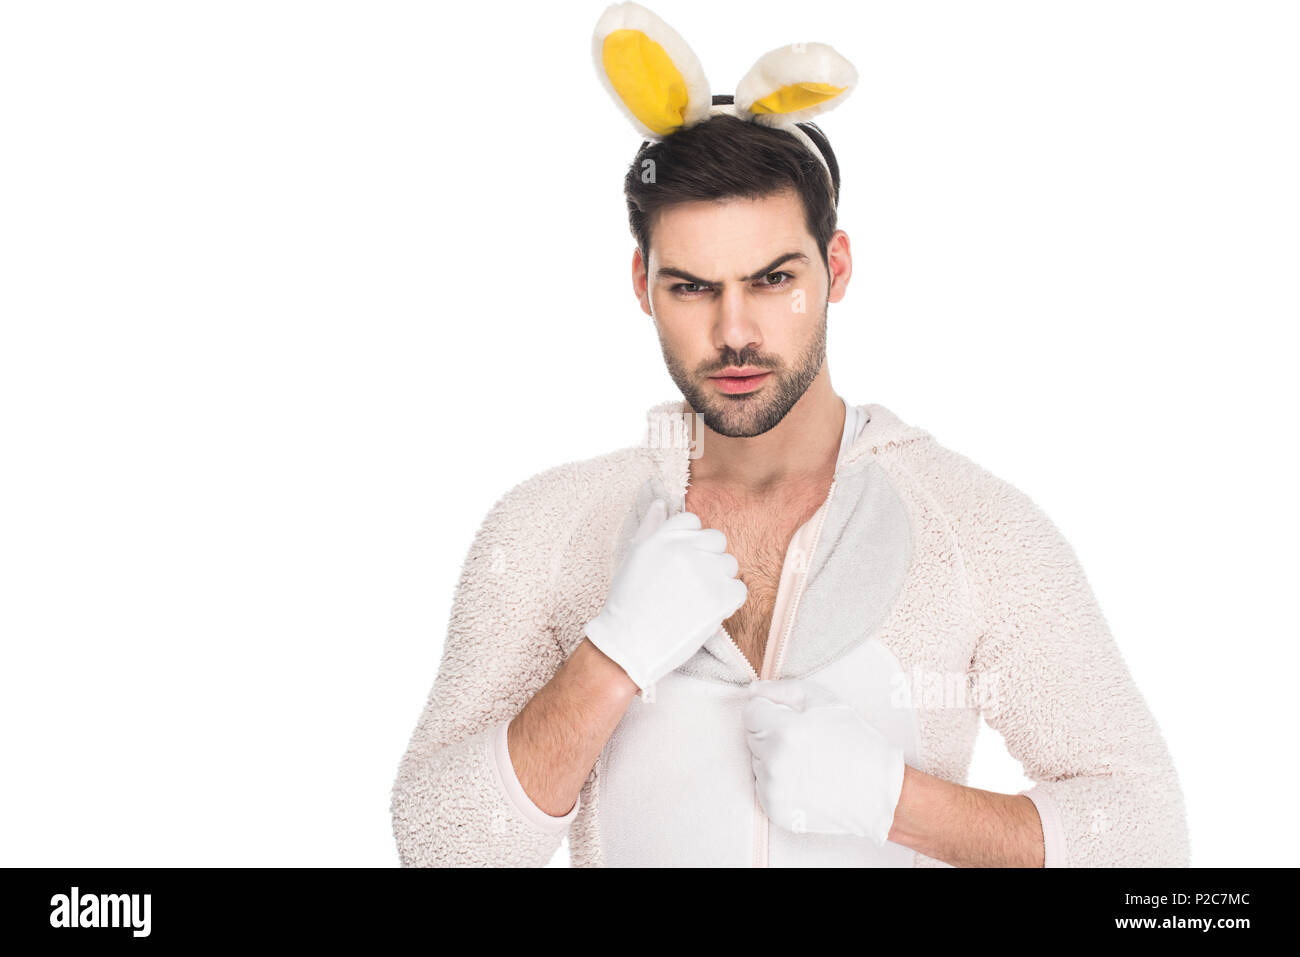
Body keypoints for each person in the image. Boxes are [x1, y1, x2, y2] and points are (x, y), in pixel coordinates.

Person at [389, 1, 1190, 867]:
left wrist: (895, 802)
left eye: (773, 279)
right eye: (692, 287)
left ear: (835, 267)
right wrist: (607, 660)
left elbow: (1148, 837)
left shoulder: (975, 532)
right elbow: (439, 844)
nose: (735, 331)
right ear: (641, 282)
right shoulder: (549, 531)